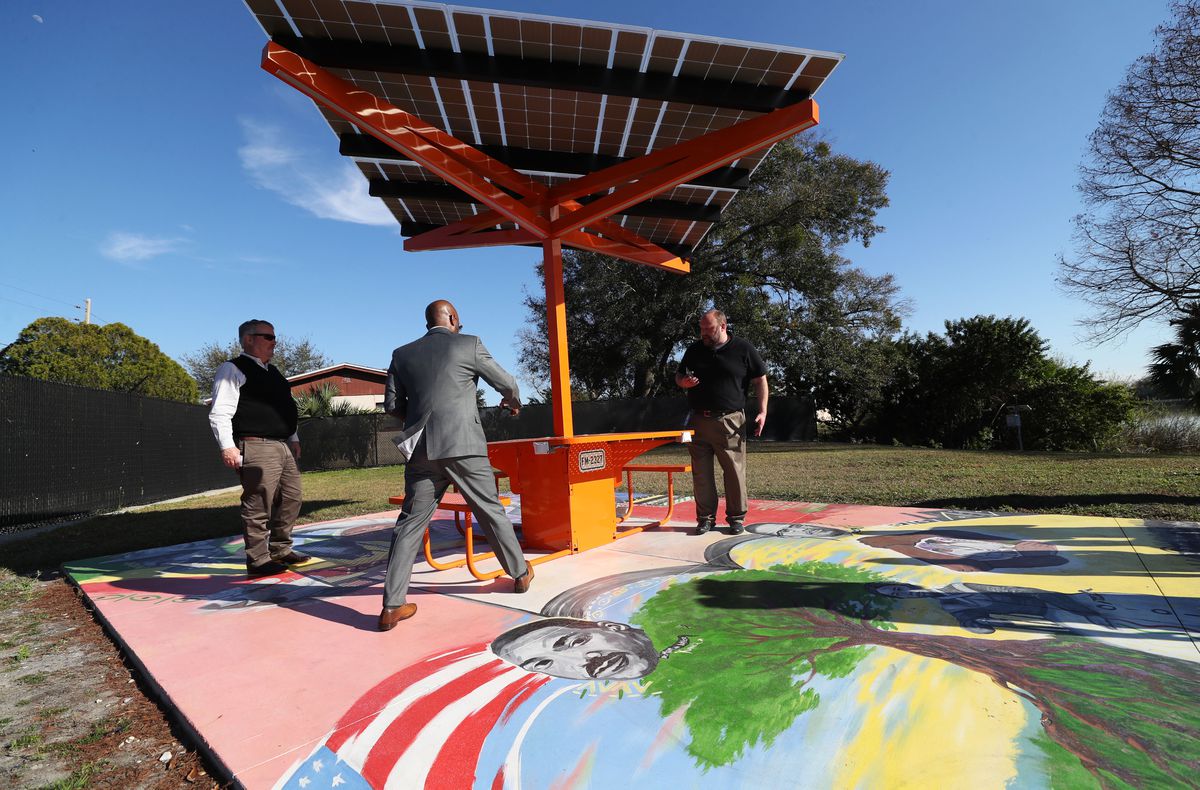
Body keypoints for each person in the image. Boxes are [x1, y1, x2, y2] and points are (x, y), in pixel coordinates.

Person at [378, 299, 531, 631]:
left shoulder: (401, 354)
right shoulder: (469, 344)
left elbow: (391, 404)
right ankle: (519, 574)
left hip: (421, 452)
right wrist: (513, 403)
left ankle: (391, 606)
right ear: (453, 318)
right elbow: (506, 383)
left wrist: (418, 421)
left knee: (409, 524)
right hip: (464, 446)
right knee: (489, 509)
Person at [208, 319, 309, 577]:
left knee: (291, 498)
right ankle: (258, 560)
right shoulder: (232, 369)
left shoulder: (273, 373)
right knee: (258, 503)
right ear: (248, 339)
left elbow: (283, 409)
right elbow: (220, 413)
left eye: (274, 337)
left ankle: (281, 549)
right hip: (255, 445)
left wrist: (293, 437)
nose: (274, 342)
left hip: (281, 446)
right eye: (268, 337)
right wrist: (227, 447)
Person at [675, 309, 768, 536]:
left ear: (723, 326)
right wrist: (683, 383)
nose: (704, 333)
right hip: (698, 420)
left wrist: (763, 410)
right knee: (701, 473)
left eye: (709, 329)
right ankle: (705, 519)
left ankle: (736, 518)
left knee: (734, 471)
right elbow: (678, 376)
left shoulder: (743, 349)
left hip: (730, 420)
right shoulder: (695, 350)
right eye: (701, 329)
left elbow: (760, 380)